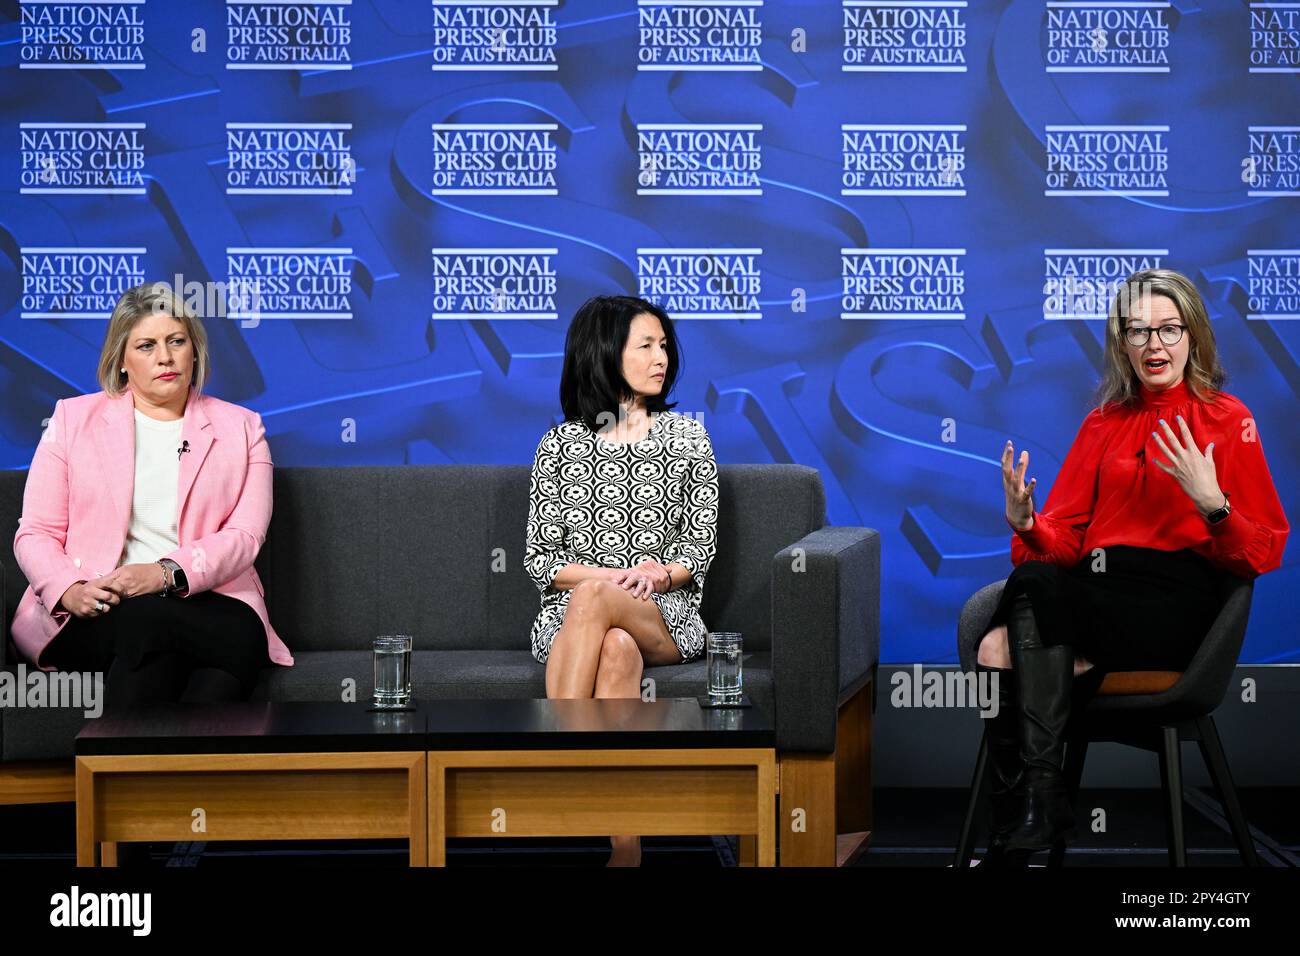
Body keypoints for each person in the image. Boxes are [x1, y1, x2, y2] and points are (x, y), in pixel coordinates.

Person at [976, 268, 1289, 865]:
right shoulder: (1103, 422)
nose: (1155, 345)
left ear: (1193, 336)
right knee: (1005, 632)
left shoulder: (1228, 418)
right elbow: (1065, 541)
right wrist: (1028, 525)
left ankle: (1024, 817)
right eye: (1138, 332)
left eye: (1169, 329)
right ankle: (1037, 808)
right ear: (1121, 344)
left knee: (1008, 636)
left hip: (1175, 601)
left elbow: (1263, 551)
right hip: (1094, 587)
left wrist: (1213, 505)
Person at [12, 282, 293, 710]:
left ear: (193, 351)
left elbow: (245, 536)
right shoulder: (72, 420)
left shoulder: (242, 427)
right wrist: (69, 590)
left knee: (168, 645)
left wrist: (163, 574)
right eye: (146, 345)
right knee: (213, 635)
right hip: (99, 605)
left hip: (210, 601)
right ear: (121, 361)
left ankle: (124, 773)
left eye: (176, 341)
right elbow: (35, 532)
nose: (165, 357)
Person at [524, 294, 719, 866]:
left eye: (664, 346)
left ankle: (552, 769)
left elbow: (698, 552)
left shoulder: (686, 437)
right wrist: (611, 579)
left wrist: (657, 573)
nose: (662, 358)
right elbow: (542, 560)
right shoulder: (561, 446)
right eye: (646, 346)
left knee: (603, 605)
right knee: (613, 651)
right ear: (606, 354)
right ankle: (627, 848)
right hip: (573, 620)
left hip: (664, 614)